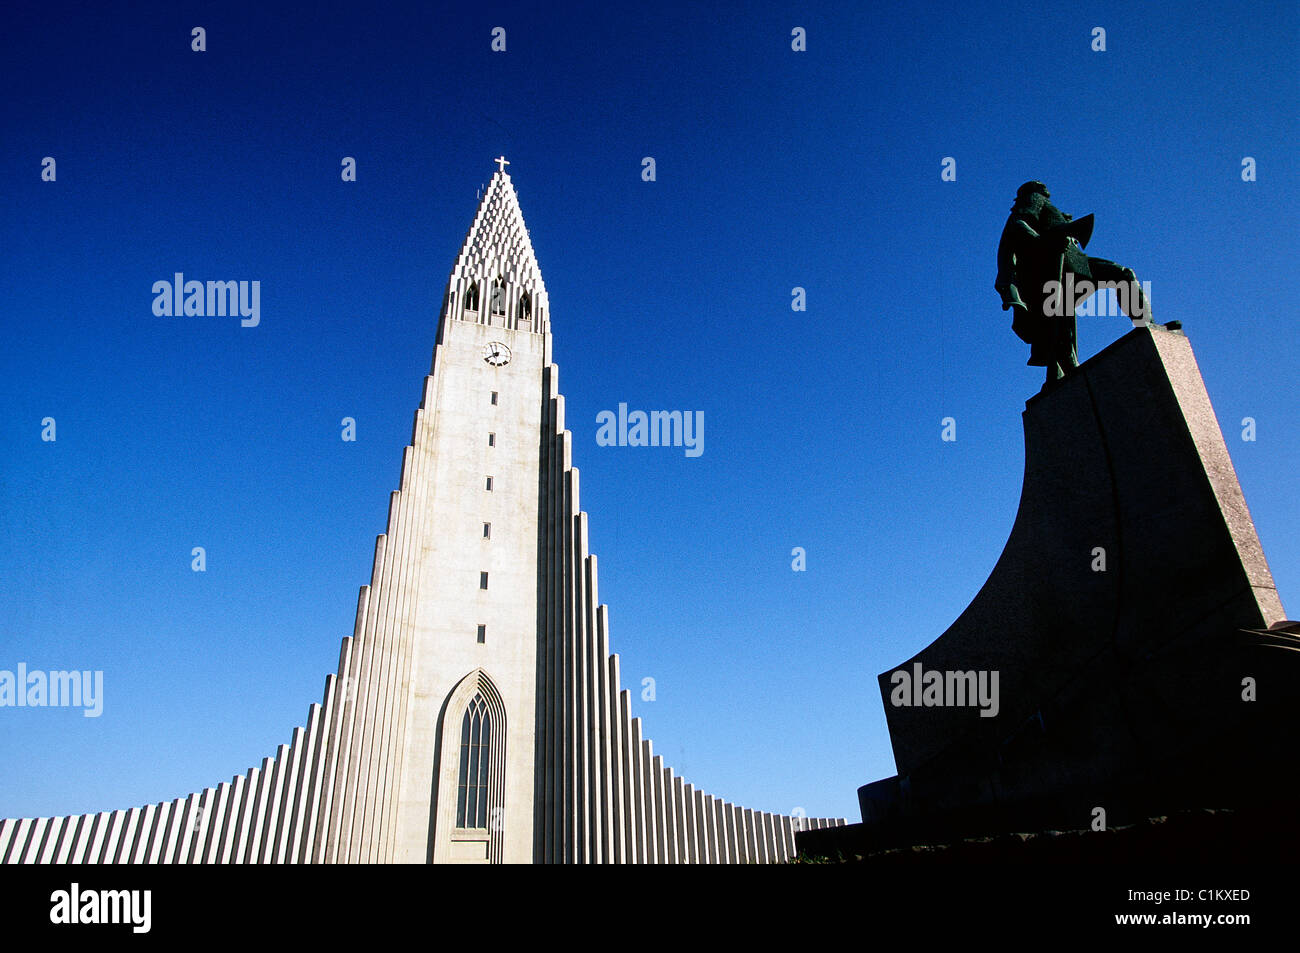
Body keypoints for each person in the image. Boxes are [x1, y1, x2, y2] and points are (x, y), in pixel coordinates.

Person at [995, 181, 1151, 386]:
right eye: (1039, 185)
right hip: (1056, 268)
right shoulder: (1034, 198)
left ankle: (1145, 324)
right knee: (1062, 324)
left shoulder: (1048, 207)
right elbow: (1018, 226)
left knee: (1121, 276)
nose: (1044, 186)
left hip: (1074, 264)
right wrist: (1043, 241)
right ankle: (1065, 376)